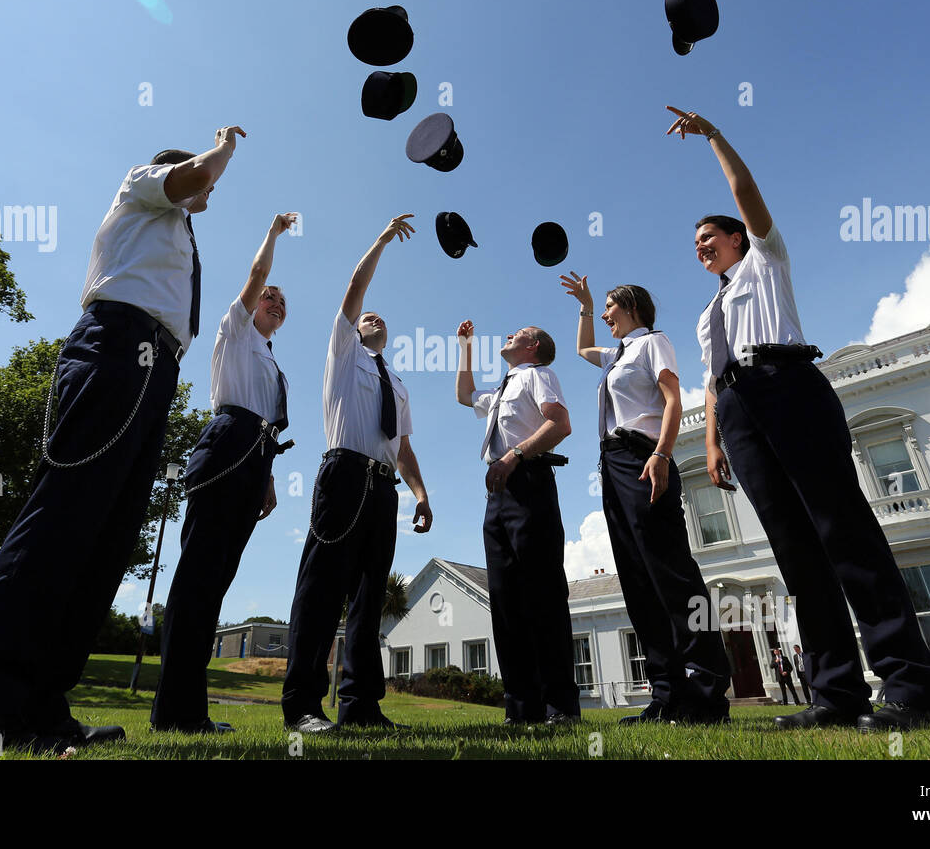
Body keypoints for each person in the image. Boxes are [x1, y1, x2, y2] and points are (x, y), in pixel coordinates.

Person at [0, 126, 248, 753]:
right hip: (116, 349)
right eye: (201, 178)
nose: (208, 189)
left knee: (106, 536)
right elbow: (192, 179)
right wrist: (223, 150)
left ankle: (44, 705)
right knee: (62, 517)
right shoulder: (142, 187)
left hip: (155, 367)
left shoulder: (176, 230)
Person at [666, 105, 930, 732]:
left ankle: (911, 684)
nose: (701, 247)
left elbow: (748, 195)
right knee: (797, 556)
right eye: (694, 246)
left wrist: (715, 136)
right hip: (739, 412)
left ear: (739, 237)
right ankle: (836, 694)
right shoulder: (705, 315)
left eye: (709, 237)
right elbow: (713, 384)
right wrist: (713, 444)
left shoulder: (766, 261)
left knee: (842, 530)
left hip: (788, 384)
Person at [281, 215, 432, 733]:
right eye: (366, 317)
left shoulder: (399, 383)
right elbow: (354, 286)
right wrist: (383, 239)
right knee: (322, 590)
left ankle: (362, 705)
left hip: (383, 488)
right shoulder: (343, 354)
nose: (372, 319)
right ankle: (302, 705)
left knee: (369, 600)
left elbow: (403, 446)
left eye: (378, 319)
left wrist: (420, 493)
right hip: (343, 475)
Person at [559, 276, 733, 725]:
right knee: (637, 582)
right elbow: (582, 350)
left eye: (609, 308)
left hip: (644, 456)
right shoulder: (615, 355)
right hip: (612, 464)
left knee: (671, 574)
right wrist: (585, 304)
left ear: (632, 307)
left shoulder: (653, 343)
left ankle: (708, 690)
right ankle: (667, 694)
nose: (604, 317)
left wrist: (661, 454)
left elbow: (674, 400)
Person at [151, 213, 297, 734]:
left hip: (256, 455)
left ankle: (192, 712)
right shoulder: (234, 330)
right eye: (269, 297)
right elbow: (256, 273)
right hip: (226, 442)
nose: (274, 303)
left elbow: (267, 421)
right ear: (253, 303)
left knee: (215, 584)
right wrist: (275, 233)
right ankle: (172, 714)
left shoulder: (271, 359)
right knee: (196, 577)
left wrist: (269, 479)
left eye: (282, 303)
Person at [454, 320, 579, 726]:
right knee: (505, 599)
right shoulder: (500, 390)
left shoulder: (539, 375)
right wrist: (466, 348)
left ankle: (559, 706)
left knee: (542, 594)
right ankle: (521, 708)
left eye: (518, 333)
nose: (509, 335)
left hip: (529, 482)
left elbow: (559, 423)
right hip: (498, 494)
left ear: (534, 346)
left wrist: (516, 455)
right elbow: (463, 396)